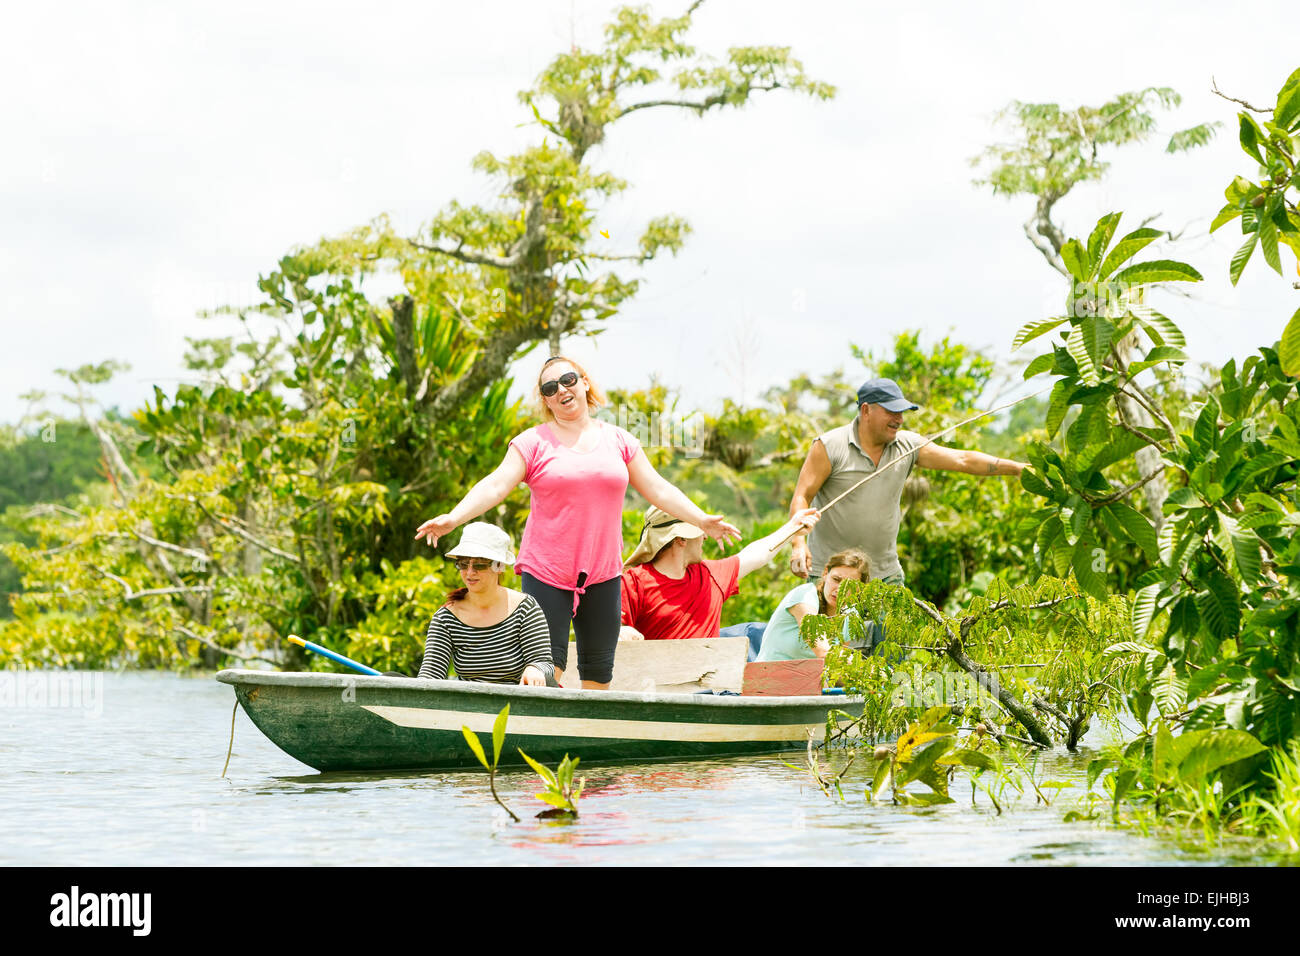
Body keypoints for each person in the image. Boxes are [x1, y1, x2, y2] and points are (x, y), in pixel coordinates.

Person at [415, 356, 741, 690]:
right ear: (545, 400)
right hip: (547, 572)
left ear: (584, 382)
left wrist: (701, 519)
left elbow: (658, 489)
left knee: (599, 673)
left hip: (603, 572)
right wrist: (453, 518)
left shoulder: (620, 441)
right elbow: (496, 484)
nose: (561, 390)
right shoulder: (533, 443)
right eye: (550, 387)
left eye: (568, 380)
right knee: (546, 669)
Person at [788, 378, 1029, 586]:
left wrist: (1018, 469)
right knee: (827, 642)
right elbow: (802, 496)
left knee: (893, 641)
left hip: (884, 575)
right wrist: (798, 544)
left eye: (901, 412)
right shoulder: (830, 446)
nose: (899, 419)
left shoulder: (907, 445)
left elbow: (963, 460)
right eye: (891, 412)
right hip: (832, 576)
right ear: (866, 410)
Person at [618, 505, 821, 644]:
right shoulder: (633, 582)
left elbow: (756, 554)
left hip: (710, 693)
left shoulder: (710, 574)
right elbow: (605, 633)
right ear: (681, 539)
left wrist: (793, 528)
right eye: (700, 530)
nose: (705, 536)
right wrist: (620, 633)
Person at [417, 523, 556, 687]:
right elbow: (430, 676)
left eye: (479, 564)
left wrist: (534, 668)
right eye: (463, 564)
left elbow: (543, 663)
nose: (469, 573)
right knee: (390, 677)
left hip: (519, 702)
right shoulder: (446, 617)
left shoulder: (525, 607)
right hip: (469, 705)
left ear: (499, 566)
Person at [756, 549, 870, 662]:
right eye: (836, 579)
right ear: (825, 573)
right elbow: (822, 650)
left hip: (809, 679)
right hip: (768, 676)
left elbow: (835, 668)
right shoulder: (804, 596)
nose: (840, 589)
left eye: (850, 585)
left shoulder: (851, 615)